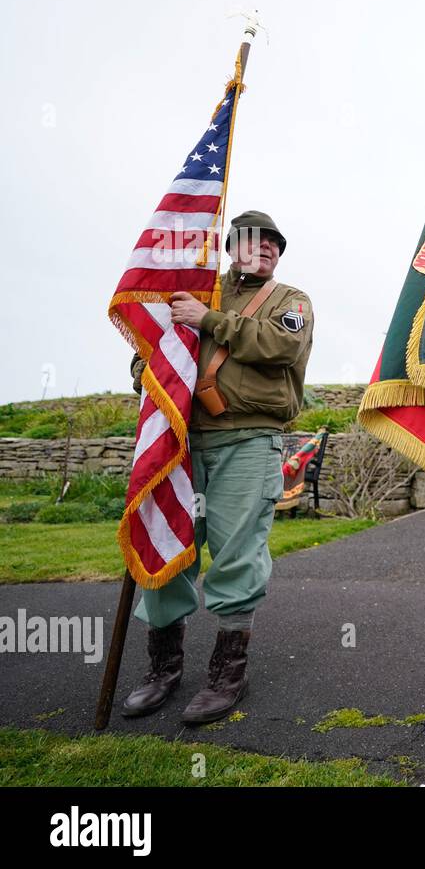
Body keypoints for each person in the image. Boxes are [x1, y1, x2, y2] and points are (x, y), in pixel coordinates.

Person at [123, 210, 314, 725]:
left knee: (236, 552)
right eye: (255, 240)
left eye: (275, 243)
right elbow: (152, 354)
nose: (267, 248)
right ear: (231, 247)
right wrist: (152, 368)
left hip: (249, 440)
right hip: (181, 443)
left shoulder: (288, 300)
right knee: (168, 546)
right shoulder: (193, 291)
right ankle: (163, 667)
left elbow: (282, 347)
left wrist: (207, 320)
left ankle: (228, 672)